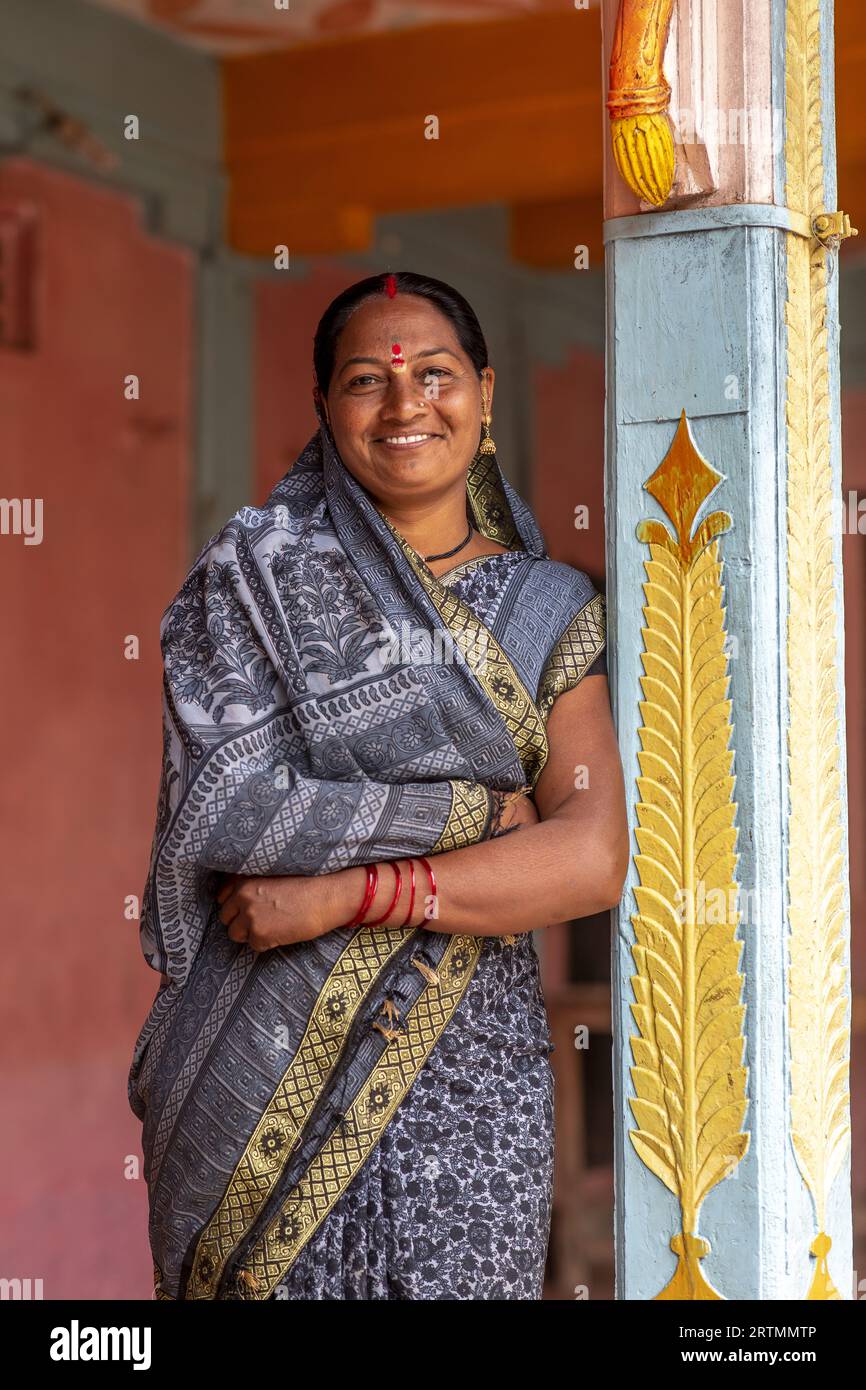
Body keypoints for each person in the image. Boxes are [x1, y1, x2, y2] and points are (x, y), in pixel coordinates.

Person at [127, 269, 628, 1301]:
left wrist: (343, 892)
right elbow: (231, 808)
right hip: (259, 1049)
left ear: (484, 394)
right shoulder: (254, 581)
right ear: (323, 410)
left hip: (469, 1078)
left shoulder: (542, 606)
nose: (406, 404)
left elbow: (587, 853)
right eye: (366, 380)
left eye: (435, 373)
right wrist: (473, 815)